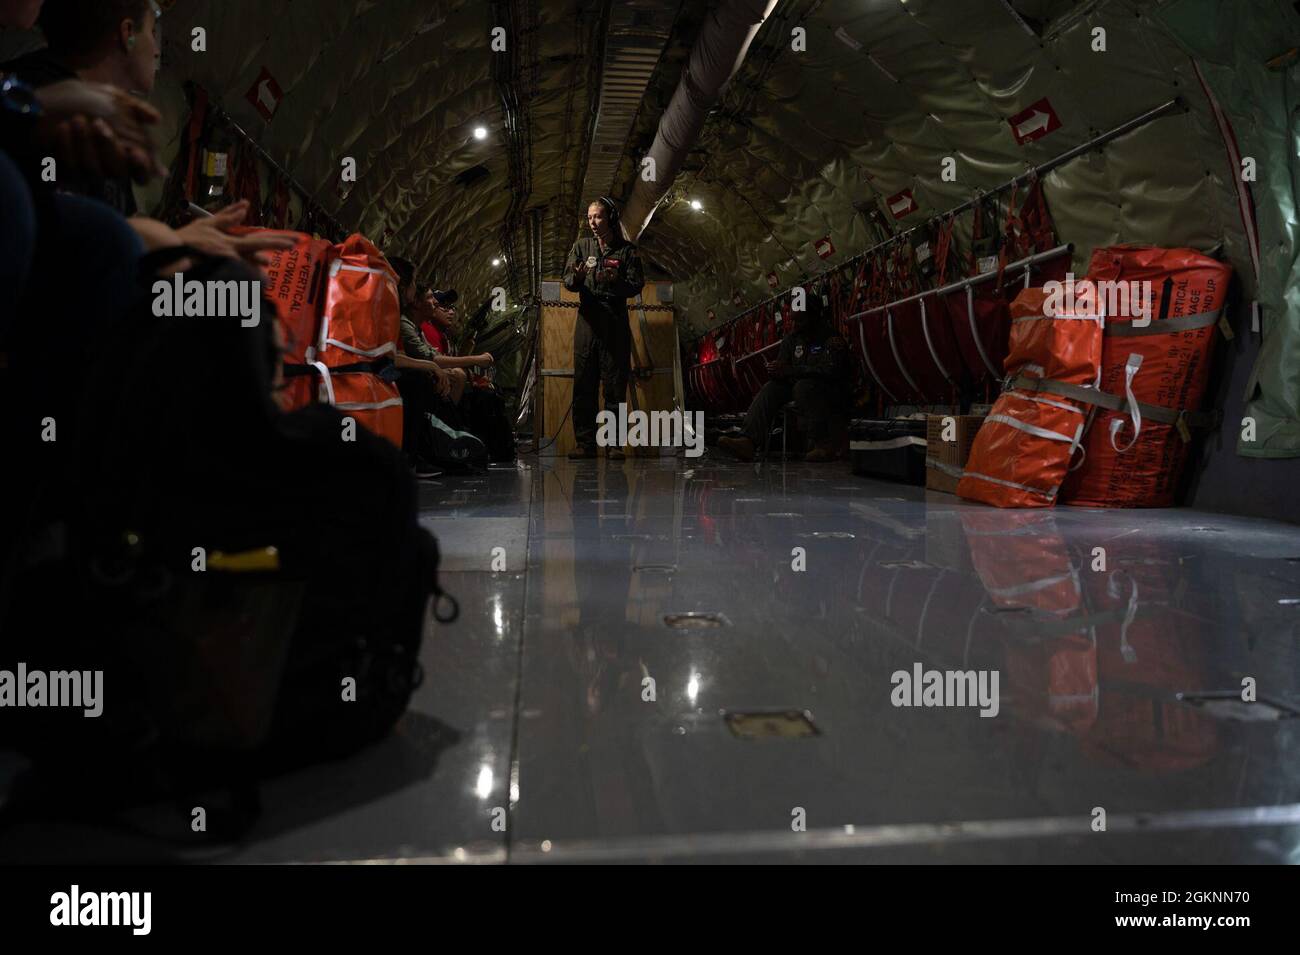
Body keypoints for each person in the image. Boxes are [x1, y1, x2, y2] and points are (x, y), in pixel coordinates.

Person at [2, 0, 289, 266]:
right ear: (127, 33)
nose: (156, 49)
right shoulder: (59, 117)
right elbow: (68, 255)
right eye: (152, 30)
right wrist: (173, 247)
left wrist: (172, 242)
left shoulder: (38, 92)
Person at [717, 291, 851, 462]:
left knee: (804, 387)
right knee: (770, 389)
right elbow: (785, 367)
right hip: (796, 385)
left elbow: (832, 372)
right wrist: (777, 371)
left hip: (826, 389)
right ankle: (748, 441)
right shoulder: (792, 340)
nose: (795, 324)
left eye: (800, 320)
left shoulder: (830, 339)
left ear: (814, 317)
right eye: (793, 320)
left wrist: (792, 371)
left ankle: (823, 444)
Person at [562, 196, 644, 460]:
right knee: (584, 383)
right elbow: (568, 282)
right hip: (588, 319)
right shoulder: (581, 246)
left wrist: (616, 281)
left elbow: (635, 286)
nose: (593, 222)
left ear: (610, 217)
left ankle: (614, 445)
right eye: (589, 217)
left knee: (613, 385)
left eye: (597, 216)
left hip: (614, 320)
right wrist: (577, 277)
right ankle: (585, 443)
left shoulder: (627, 251)